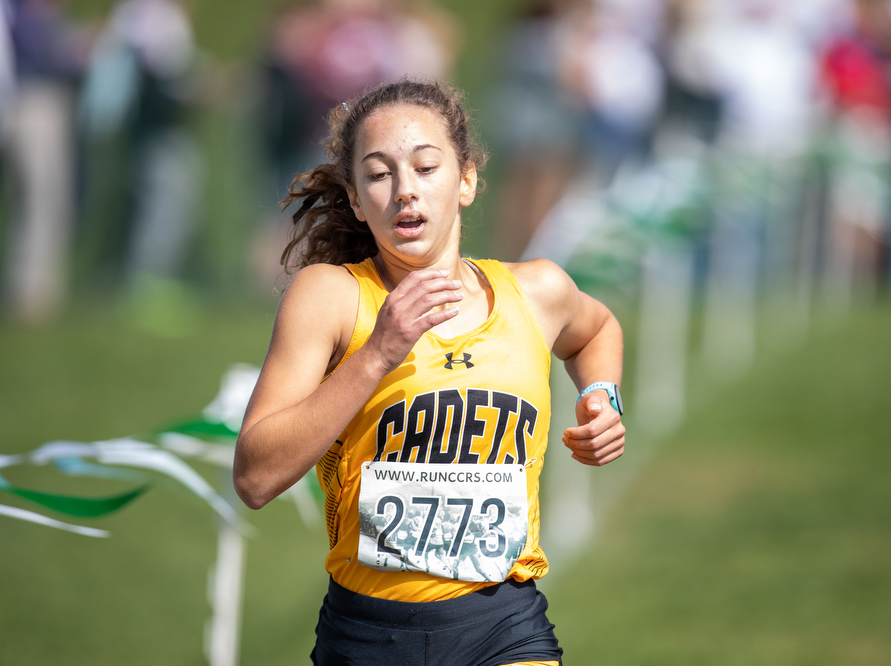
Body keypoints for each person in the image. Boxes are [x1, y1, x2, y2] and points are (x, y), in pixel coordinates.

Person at [233, 79, 625, 666]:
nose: (404, 192)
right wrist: (376, 354)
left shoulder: (536, 290)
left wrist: (600, 398)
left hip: (503, 624)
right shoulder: (332, 298)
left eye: (425, 167)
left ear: (465, 181)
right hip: (368, 634)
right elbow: (255, 477)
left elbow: (596, 329)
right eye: (379, 174)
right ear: (358, 199)